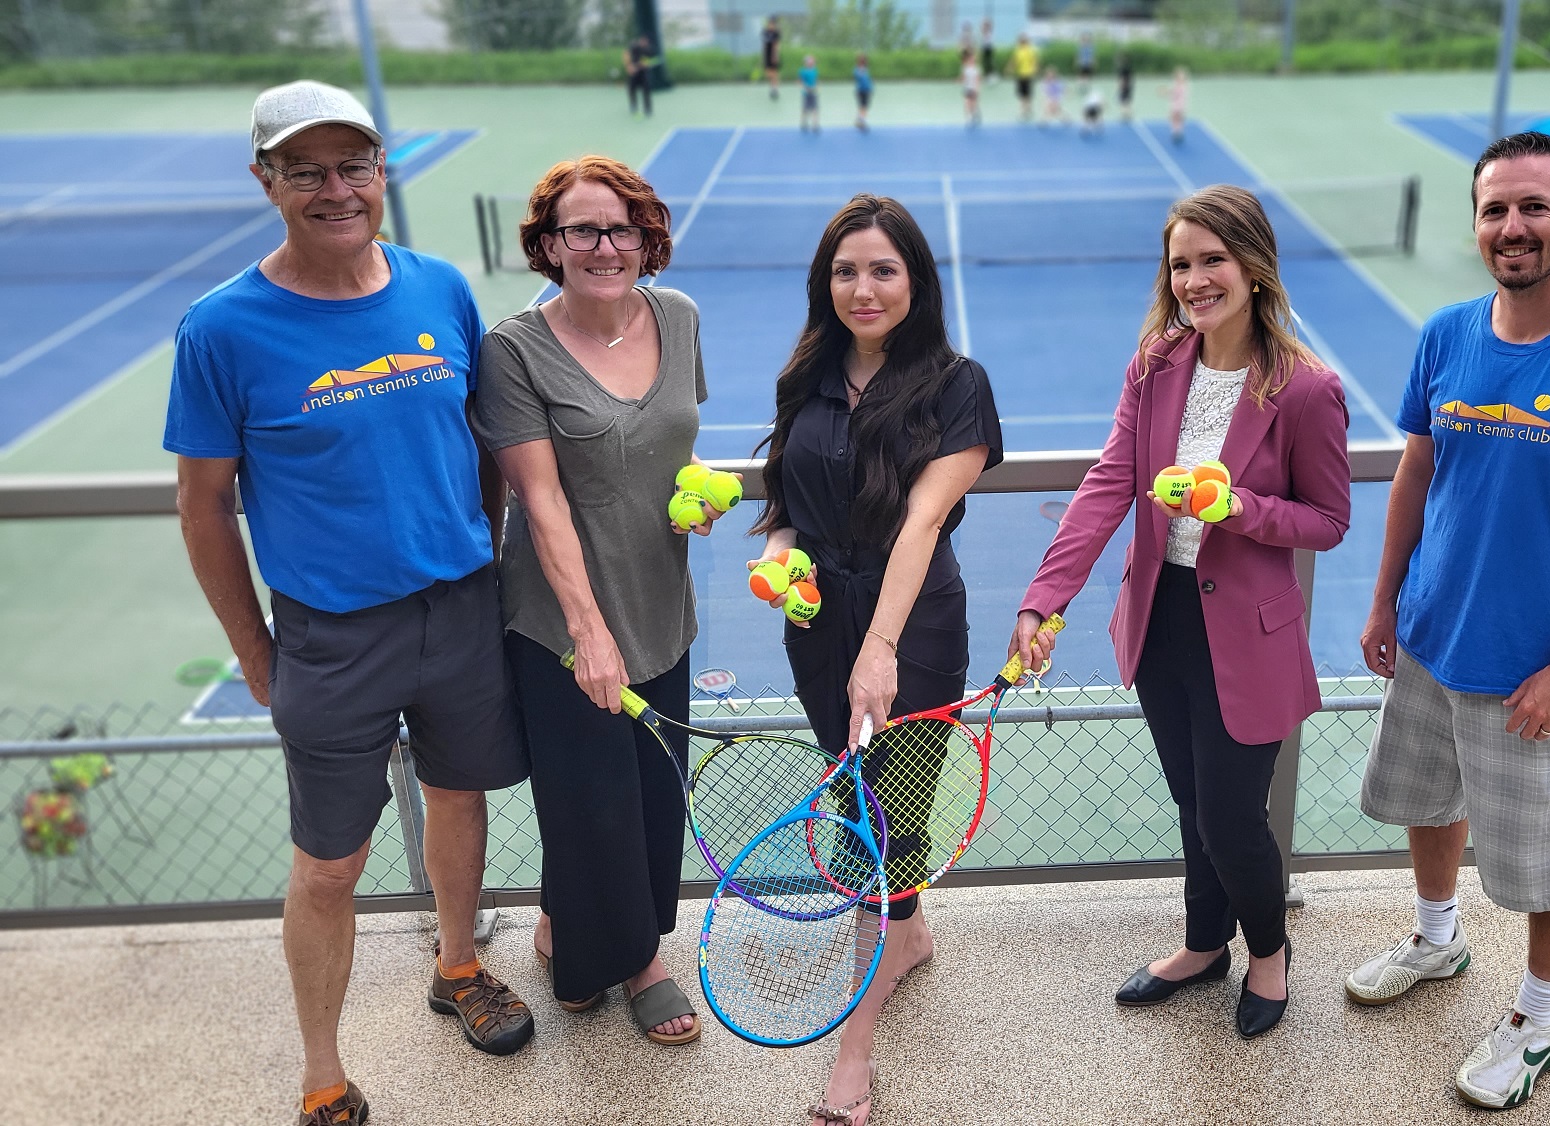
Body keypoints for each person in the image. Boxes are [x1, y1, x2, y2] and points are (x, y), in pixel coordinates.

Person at [164, 80, 534, 1126]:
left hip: (460, 609)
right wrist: (255, 648)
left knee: (462, 799)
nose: (337, 189)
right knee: (329, 864)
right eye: (306, 170)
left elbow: (485, 445)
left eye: (354, 165)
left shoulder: (439, 288)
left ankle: (456, 966)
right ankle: (322, 1069)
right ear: (266, 183)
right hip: (331, 637)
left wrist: (483, 554)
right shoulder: (223, 330)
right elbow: (202, 507)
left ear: (383, 170)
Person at [1345, 131, 1550, 1109]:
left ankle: (1539, 1019)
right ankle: (1435, 939)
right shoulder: (1446, 334)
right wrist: (1384, 600)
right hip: (1430, 640)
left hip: (1538, 670)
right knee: (1427, 800)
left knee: (1549, 863)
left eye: (1534, 207)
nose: (1512, 227)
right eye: (1495, 209)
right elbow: (1417, 470)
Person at [1015, 185, 1352, 1040]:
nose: (1197, 280)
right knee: (1190, 799)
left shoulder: (1307, 389)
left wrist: (1240, 508)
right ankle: (1206, 944)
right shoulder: (1157, 364)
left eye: (1213, 260)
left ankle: (1268, 953)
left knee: (1232, 814)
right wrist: (1043, 601)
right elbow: (1105, 488)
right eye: (1182, 264)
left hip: (1248, 632)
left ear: (1253, 266)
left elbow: (1329, 520)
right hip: (1162, 616)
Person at [748, 195, 1002, 1125]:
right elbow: (784, 505)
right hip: (817, 624)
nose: (863, 287)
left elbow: (922, 522)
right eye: (845, 270)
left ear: (914, 282)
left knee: (888, 821)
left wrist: (881, 650)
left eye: (882, 270)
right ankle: (910, 935)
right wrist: (777, 565)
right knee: (853, 798)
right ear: (827, 282)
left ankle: (851, 1056)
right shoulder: (805, 379)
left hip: (914, 626)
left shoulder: (956, 384)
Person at [471, 156, 726, 1049]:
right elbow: (538, 499)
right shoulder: (513, 350)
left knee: (655, 796)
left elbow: (670, 446)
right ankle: (636, 964)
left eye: (620, 227)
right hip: (562, 622)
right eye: (581, 229)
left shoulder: (681, 318)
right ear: (549, 244)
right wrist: (588, 634)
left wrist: (697, 498)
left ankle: (584, 933)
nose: (604, 246)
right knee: (591, 803)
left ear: (645, 236)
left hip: (663, 607)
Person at [1011, 32, 1039, 122]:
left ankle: (1026, 111)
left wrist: (1034, 70)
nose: (1022, 41)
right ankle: (1025, 111)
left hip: (1028, 75)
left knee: (1026, 95)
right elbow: (1015, 62)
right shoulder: (1018, 50)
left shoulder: (1030, 50)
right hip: (1021, 75)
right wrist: (1010, 68)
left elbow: (1034, 61)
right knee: (1023, 95)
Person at [625, 37, 655, 118]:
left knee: (646, 90)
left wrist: (645, 64)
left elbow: (647, 62)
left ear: (647, 42)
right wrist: (629, 66)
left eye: (645, 41)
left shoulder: (648, 50)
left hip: (644, 73)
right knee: (631, 88)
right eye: (642, 40)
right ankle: (633, 105)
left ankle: (648, 109)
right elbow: (626, 54)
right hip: (633, 73)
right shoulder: (633, 46)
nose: (643, 42)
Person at [1165, 66, 1189, 143]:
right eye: (1179, 76)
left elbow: (1175, 93)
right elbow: (1173, 92)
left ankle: (1177, 133)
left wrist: (1167, 92)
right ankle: (1176, 133)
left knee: (1177, 119)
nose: (1181, 78)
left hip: (1179, 105)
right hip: (1176, 104)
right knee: (1175, 119)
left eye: (1182, 76)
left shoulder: (1182, 86)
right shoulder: (1178, 84)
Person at [762, 16, 783, 100]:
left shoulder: (776, 33)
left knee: (774, 73)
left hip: (773, 54)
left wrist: (775, 55)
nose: (771, 25)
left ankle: (775, 89)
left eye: (773, 23)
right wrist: (762, 56)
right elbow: (764, 44)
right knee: (768, 73)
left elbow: (777, 45)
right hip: (766, 55)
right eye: (770, 23)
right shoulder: (764, 32)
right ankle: (772, 86)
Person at [961, 46, 982, 127]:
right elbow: (963, 78)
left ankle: (975, 114)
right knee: (967, 103)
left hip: (974, 88)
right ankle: (969, 117)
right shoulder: (965, 68)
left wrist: (977, 89)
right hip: (967, 88)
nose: (972, 60)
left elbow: (978, 80)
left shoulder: (977, 69)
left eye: (973, 59)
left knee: (973, 104)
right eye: (970, 59)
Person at [800, 53, 821, 133]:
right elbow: (801, 82)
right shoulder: (803, 71)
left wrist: (816, 88)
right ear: (806, 62)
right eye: (808, 61)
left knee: (815, 108)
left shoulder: (815, 71)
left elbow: (816, 81)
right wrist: (806, 88)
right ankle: (804, 123)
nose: (811, 62)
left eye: (812, 61)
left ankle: (815, 124)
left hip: (814, 93)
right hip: (806, 93)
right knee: (805, 109)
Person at [854, 51, 874, 132]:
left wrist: (871, 89)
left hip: (866, 90)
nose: (863, 62)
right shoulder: (857, 70)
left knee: (864, 106)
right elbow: (858, 77)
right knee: (863, 106)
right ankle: (862, 122)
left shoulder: (866, 69)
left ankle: (860, 121)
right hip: (860, 90)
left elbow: (868, 80)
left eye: (864, 60)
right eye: (861, 60)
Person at [1117, 52, 1135, 122]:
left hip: (1125, 87)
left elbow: (1122, 79)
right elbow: (1131, 78)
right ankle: (1128, 114)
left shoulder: (1122, 69)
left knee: (1123, 101)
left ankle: (1125, 115)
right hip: (1129, 86)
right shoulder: (1129, 68)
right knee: (1127, 101)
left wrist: (1121, 86)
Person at [980, 18, 996, 83]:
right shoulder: (984, 32)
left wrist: (987, 23)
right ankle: (987, 76)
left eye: (986, 25)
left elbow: (990, 26)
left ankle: (992, 75)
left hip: (989, 48)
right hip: (984, 48)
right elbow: (982, 29)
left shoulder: (989, 32)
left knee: (989, 62)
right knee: (985, 62)